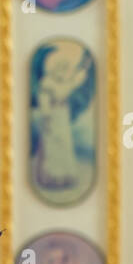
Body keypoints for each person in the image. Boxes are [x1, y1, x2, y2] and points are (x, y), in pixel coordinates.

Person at [31, 45, 93, 192]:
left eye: (65, 68)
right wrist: (46, 115)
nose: (62, 70)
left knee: (64, 144)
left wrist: (84, 66)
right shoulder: (47, 83)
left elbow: (75, 80)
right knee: (52, 146)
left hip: (62, 117)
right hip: (52, 118)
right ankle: (51, 178)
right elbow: (44, 100)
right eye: (60, 67)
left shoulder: (64, 83)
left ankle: (65, 177)